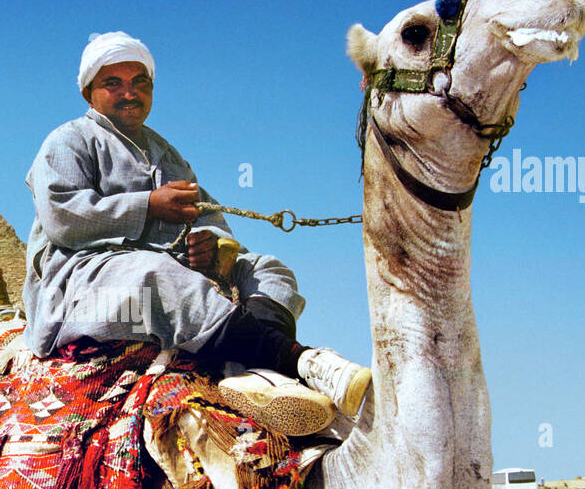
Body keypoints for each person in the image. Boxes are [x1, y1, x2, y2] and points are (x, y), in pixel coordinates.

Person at [21, 31, 372, 437]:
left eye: (140, 83)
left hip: (166, 268)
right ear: (88, 92)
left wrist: (206, 246)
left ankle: (250, 372)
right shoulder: (68, 141)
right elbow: (64, 218)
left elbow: (206, 217)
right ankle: (299, 360)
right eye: (113, 84)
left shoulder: (166, 154)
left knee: (267, 268)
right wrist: (149, 205)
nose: (129, 93)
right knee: (152, 275)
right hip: (82, 277)